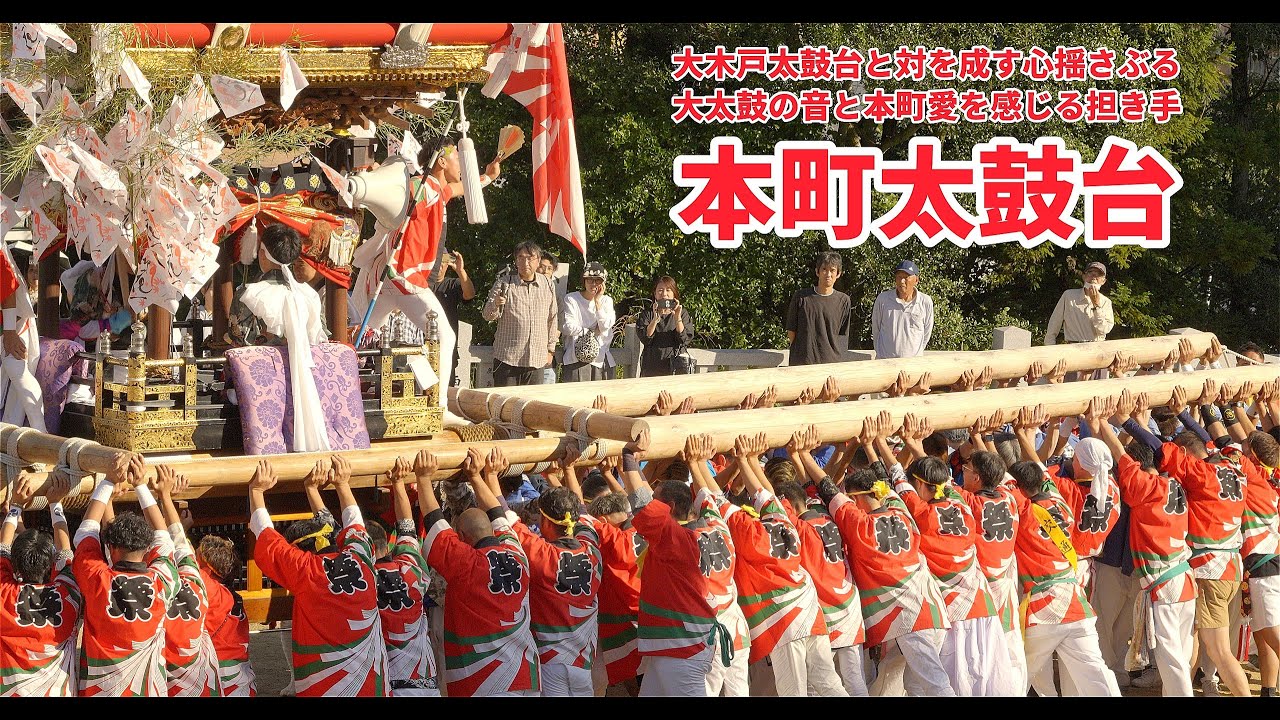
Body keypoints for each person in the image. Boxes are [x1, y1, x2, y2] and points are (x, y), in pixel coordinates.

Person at [349, 138, 500, 405]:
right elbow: (399, 192)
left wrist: (486, 177)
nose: (460, 165)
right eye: (455, 158)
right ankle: (438, 407)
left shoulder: (434, 190)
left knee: (358, 336)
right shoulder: (419, 187)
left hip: (390, 279)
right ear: (441, 161)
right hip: (403, 277)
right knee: (445, 335)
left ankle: (340, 385)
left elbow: (458, 188)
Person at [248, 455, 389, 696]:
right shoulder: (362, 560)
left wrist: (256, 490)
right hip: (371, 688)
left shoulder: (307, 571)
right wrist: (342, 483)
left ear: (305, 550)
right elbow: (355, 524)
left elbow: (265, 536)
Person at [1086, 392, 1197, 696]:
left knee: (1169, 653)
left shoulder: (1145, 488)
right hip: (1183, 576)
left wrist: (1104, 425)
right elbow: (1158, 451)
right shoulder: (1176, 481)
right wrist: (1131, 422)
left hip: (1165, 581)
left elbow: (1122, 456)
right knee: (1180, 650)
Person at [812, 460, 954, 696]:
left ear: (856, 499)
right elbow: (885, 482)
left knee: (935, 684)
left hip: (911, 619)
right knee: (912, 685)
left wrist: (803, 456)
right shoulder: (901, 510)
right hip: (932, 611)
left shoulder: (860, 525)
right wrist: (872, 444)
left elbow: (828, 490)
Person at [723, 432, 846, 697]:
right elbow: (765, 495)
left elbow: (715, 500)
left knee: (793, 691)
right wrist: (748, 460)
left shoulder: (749, 533)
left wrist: (743, 460)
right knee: (827, 683)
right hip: (809, 611)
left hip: (784, 619)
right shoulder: (785, 520)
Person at [417, 447, 541, 696]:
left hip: (484, 678)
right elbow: (498, 514)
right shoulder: (517, 554)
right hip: (524, 674)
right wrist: (479, 476)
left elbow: (434, 523)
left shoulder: (467, 564)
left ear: (462, 537)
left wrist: (422, 477)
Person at [616, 429, 720, 696]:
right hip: (678, 645)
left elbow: (642, 506)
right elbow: (647, 504)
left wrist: (629, 458)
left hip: (682, 649)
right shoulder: (698, 531)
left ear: (670, 507)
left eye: (657, 499)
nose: (652, 501)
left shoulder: (677, 538)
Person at [1006, 457, 1121, 697]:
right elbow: (1041, 477)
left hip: (1043, 611)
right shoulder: (1060, 505)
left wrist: (983, 439)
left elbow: (1002, 482)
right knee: (1096, 674)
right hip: (1076, 607)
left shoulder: (1025, 512)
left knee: (1017, 673)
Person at [75, 453, 179, 697]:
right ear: (147, 549)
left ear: (111, 549)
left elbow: (85, 533)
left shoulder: (97, 578)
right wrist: (140, 484)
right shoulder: (163, 580)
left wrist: (109, 480)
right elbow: (164, 537)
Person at [229, 223, 331, 452]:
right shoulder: (309, 295)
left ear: (263, 254)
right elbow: (321, 336)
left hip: (262, 386)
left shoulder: (248, 294)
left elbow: (240, 341)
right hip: (307, 381)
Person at [507, 481, 603, 696]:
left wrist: (488, 476)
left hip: (549, 664)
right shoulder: (593, 552)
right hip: (583, 664)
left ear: (545, 521)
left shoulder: (540, 554)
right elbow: (584, 515)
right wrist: (567, 471)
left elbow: (501, 513)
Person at [0, 470, 78, 696]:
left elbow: (3, 549)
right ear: (50, 567)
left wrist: (15, 507)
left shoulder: (4, 594)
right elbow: (65, 553)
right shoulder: (68, 595)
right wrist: (55, 503)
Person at [153, 466, 222, 696]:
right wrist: (164, 498)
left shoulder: (154, 598)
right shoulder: (202, 587)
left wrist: (163, 498)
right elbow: (172, 546)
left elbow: (174, 546)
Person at [374, 457, 440, 696]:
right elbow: (406, 527)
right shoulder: (411, 568)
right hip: (425, 681)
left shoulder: (361, 582)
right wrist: (399, 482)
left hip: (389, 683)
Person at [482, 242, 559, 387]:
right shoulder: (504, 283)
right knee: (505, 406)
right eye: (521, 257)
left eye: (530, 258)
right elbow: (487, 315)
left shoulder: (548, 284)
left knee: (532, 406)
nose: (525, 262)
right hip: (508, 358)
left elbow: (552, 318)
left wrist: (551, 349)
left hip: (537, 359)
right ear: (516, 260)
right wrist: (496, 304)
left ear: (538, 261)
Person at [195, 534, 256, 696]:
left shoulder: (210, 590)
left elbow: (180, 554)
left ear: (206, 569)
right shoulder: (231, 596)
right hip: (240, 678)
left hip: (221, 680)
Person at [785, 252, 851, 367]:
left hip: (830, 364)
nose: (828, 274)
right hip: (802, 363)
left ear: (838, 274)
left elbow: (841, 335)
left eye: (832, 270)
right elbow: (791, 331)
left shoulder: (843, 301)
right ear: (817, 272)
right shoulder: (801, 297)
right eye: (824, 269)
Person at [561, 262, 616, 383]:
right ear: (584, 281)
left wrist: (597, 303)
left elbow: (605, 326)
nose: (594, 284)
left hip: (601, 359)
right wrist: (590, 331)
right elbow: (567, 327)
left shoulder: (607, 301)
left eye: (598, 280)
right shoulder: (571, 299)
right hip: (575, 358)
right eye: (590, 280)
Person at [430, 250, 476, 387]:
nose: (438, 267)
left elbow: (469, 294)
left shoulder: (452, 284)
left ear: (447, 265)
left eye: (442, 263)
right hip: (422, 351)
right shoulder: (421, 286)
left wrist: (460, 271)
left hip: (446, 351)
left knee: (446, 394)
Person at [871, 260, 933, 360]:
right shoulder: (883, 299)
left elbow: (927, 332)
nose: (902, 281)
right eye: (899, 277)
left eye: (906, 277)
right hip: (885, 363)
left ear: (916, 280)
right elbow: (876, 328)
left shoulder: (925, 302)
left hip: (913, 365)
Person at [1044, 261, 1114, 346]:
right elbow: (1054, 324)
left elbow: (1103, 330)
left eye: (1098, 274)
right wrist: (1050, 348)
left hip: (1096, 350)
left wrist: (1096, 305)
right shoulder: (1069, 296)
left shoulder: (1106, 302)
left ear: (1103, 281)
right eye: (1090, 272)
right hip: (1072, 349)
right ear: (1084, 277)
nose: (1094, 276)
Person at [637, 276, 694, 377]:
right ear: (655, 294)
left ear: (674, 294)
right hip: (652, 367)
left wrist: (677, 317)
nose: (664, 294)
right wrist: (655, 319)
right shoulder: (647, 314)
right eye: (660, 290)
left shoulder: (682, 313)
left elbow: (684, 339)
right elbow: (645, 338)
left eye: (668, 290)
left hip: (676, 367)